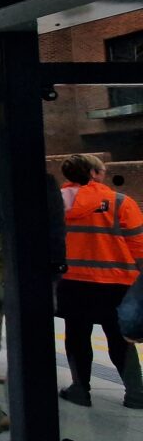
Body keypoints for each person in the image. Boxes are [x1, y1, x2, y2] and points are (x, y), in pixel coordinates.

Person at [56, 154, 143, 409]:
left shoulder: (55, 204)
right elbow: (139, 246)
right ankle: (136, 393)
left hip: (71, 282)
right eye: (102, 171)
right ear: (93, 173)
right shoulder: (120, 203)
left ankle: (80, 390)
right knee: (118, 337)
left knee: (77, 335)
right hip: (116, 284)